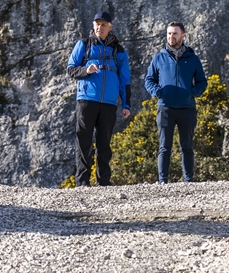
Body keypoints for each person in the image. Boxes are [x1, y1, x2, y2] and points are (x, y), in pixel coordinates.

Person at [66, 11, 131, 187]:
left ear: (110, 27)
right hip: (87, 99)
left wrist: (126, 104)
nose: (99, 28)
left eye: (103, 25)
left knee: (104, 143)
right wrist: (85, 71)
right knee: (83, 141)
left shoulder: (118, 49)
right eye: (97, 24)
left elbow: (125, 79)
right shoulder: (84, 44)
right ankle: (82, 183)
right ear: (93, 25)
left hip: (109, 103)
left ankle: (103, 182)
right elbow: (71, 69)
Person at [144, 22, 208, 183]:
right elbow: (149, 80)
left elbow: (202, 82)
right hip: (165, 107)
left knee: (187, 147)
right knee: (164, 147)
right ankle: (162, 181)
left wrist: (191, 93)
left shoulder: (193, 59)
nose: (171, 37)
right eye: (169, 34)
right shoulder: (159, 57)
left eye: (175, 34)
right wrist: (157, 92)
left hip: (187, 108)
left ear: (183, 36)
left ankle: (188, 180)